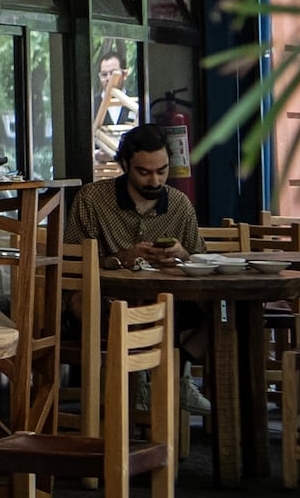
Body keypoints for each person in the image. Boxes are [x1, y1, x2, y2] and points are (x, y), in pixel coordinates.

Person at [64, 123, 211, 413]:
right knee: (82, 302)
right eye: (144, 172)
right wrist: (121, 258)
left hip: (169, 303)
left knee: (225, 309)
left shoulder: (179, 205)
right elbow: (72, 265)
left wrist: (182, 255)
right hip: (109, 302)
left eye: (162, 171)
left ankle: (177, 373)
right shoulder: (93, 199)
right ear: (125, 165)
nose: (155, 180)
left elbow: (200, 260)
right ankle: (139, 379)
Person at [92, 48, 139, 166]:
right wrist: (97, 154)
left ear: (125, 74)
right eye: (104, 74)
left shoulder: (136, 103)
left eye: (113, 73)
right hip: (101, 172)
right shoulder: (91, 106)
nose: (108, 78)